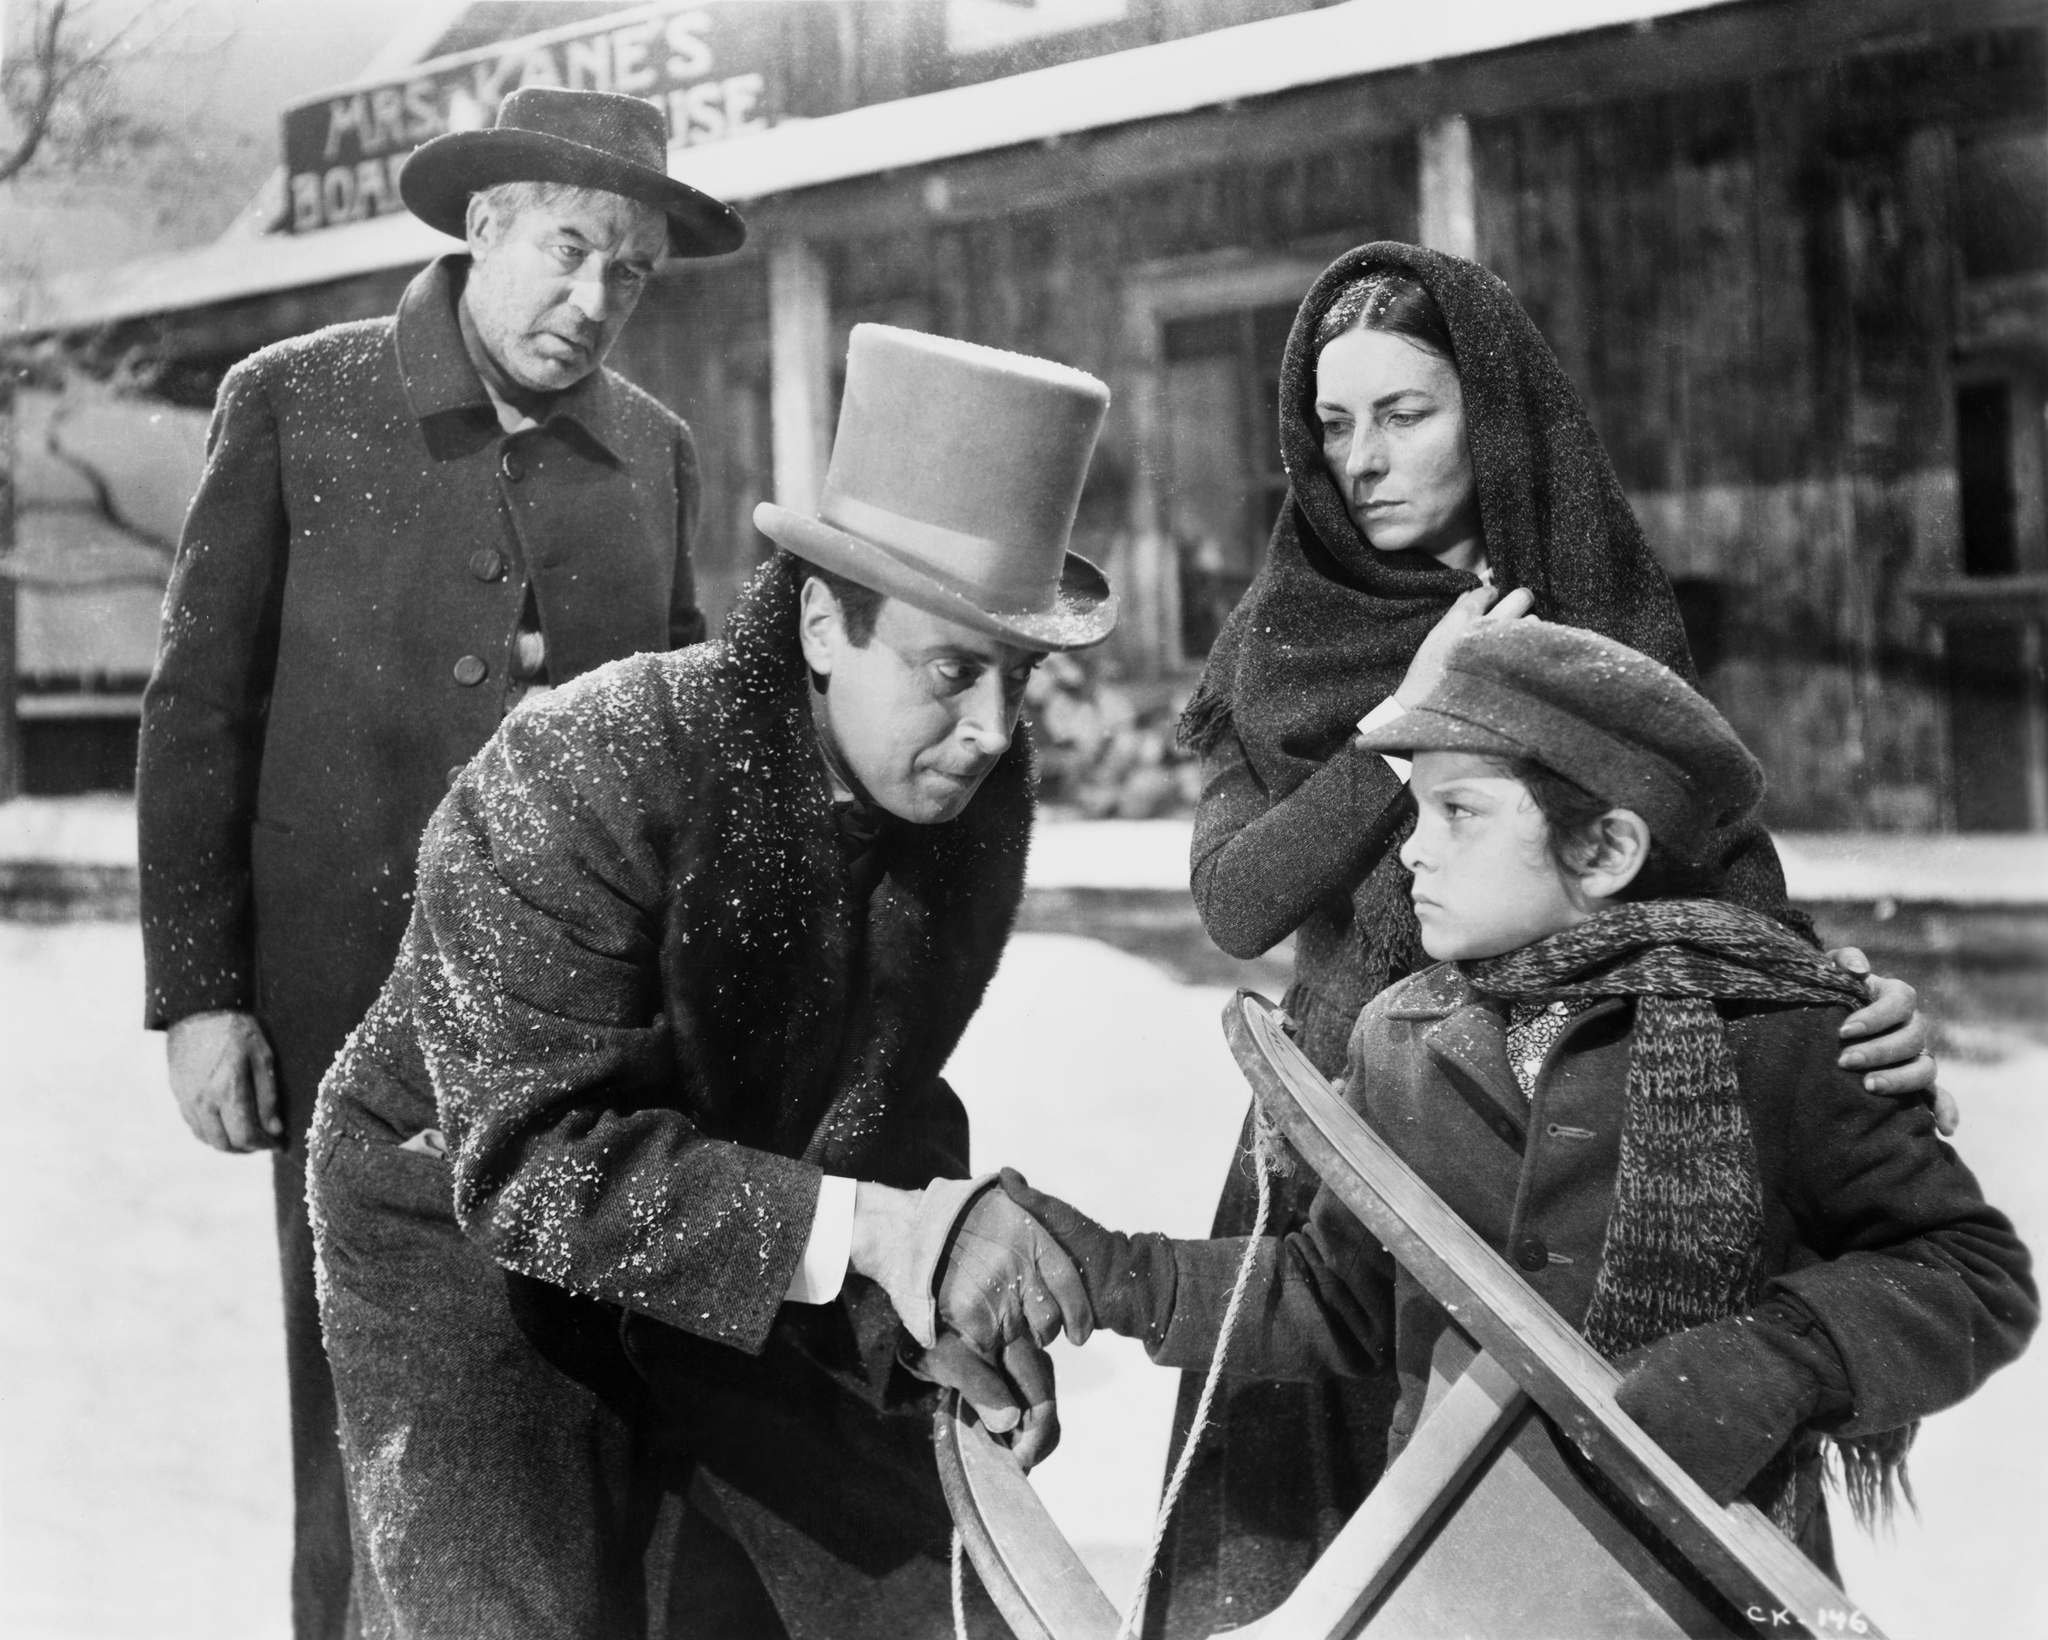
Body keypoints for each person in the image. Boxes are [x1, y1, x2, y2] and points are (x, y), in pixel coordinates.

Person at [1155, 242, 1947, 1637]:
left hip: (1587, 1177)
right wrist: (1406, 723)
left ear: (1496, 410)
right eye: (1335, 425)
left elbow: (1717, 870)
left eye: (1407, 414)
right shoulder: (1282, 636)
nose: (1365, 459)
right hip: (1350, 1172)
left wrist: (1842, 1009)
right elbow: (1236, 901)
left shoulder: (1592, 607)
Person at [308, 324, 1120, 1638]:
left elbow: (881, 1096)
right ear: (818, 620)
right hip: (464, 1231)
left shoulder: (967, 794)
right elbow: (526, 1168)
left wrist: (924, 1324)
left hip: (727, 1217)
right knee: (522, 1611)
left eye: (1020, 678)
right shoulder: (582, 766)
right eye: (953, 669)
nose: (994, 730)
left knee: (924, 1595)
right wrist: (875, 1236)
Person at [1006, 618, 2035, 1616]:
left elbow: (1968, 1273)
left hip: (1697, 1588)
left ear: (1604, 851)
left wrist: (1779, 1355)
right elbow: (1338, 1294)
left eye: (1460, 812)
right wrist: (1123, 1275)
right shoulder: (1401, 1036)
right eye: (1416, 811)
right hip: (1455, 1586)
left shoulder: (1776, 1031)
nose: (1412, 850)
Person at [136, 86, 744, 1639]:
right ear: (482, 228)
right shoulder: (296, 400)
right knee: (359, 1416)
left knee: (559, 1418)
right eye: (568, 250)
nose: (595, 299)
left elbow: (679, 747)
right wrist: (202, 996)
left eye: (634, 274)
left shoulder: (654, 455)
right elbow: (202, 709)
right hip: (341, 1013)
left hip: (573, 1038)